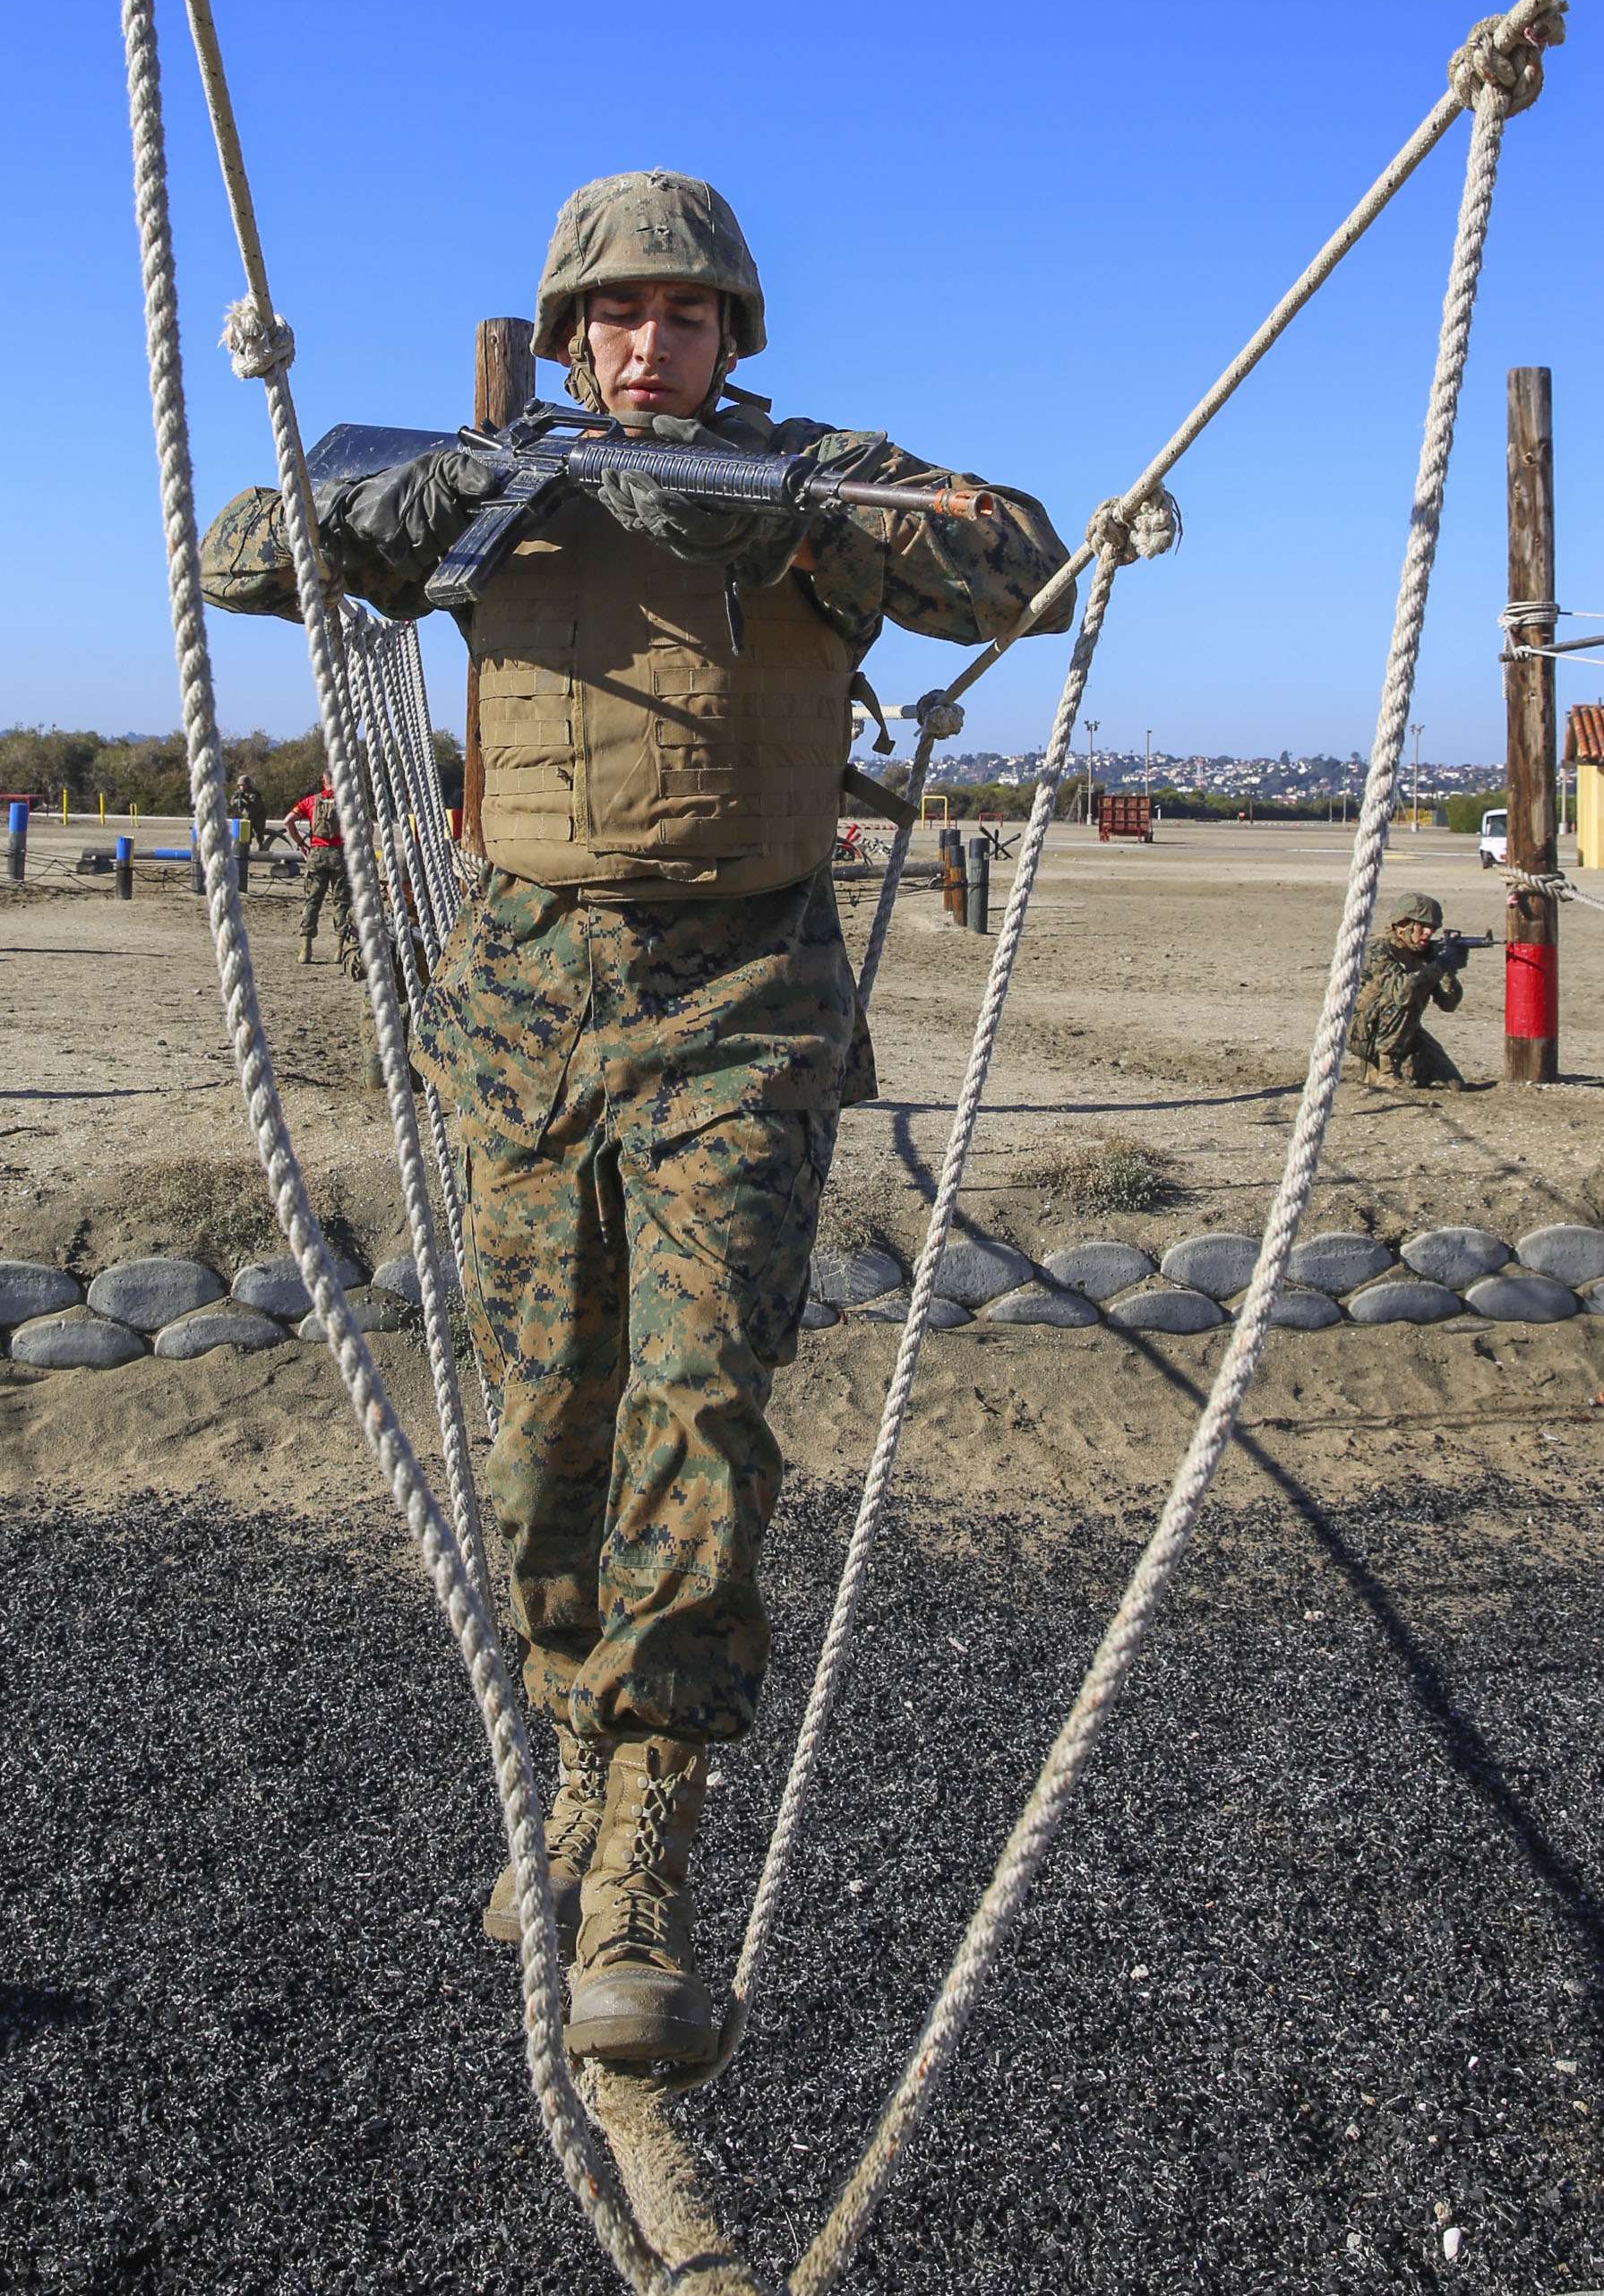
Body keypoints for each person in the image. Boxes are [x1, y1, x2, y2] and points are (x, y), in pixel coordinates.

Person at [197, 168, 1078, 2066]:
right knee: (542, 1432)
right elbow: (237, 552)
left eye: (683, 313)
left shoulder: (818, 474)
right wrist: (408, 503)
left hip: (743, 1002)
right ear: (570, 333)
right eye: (615, 313)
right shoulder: (494, 483)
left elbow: (1023, 561)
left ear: (729, 331)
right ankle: (573, 1763)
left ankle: (649, 1839)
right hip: (522, 999)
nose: (647, 342)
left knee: (699, 1402)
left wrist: (820, 515)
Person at [1350, 890, 1466, 1088]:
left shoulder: (1422, 954)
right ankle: (1385, 1072)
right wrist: (1438, 966)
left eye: (1432, 928)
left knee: (1453, 1084)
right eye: (1423, 926)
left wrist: (1448, 971)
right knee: (1401, 996)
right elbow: (1401, 993)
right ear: (1403, 924)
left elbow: (1448, 1004)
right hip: (1366, 1032)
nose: (1428, 933)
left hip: (1406, 1031)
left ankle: (1400, 1068)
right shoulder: (1378, 948)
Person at [286, 770, 353, 966]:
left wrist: (301, 843)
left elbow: (288, 821)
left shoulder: (310, 801)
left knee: (312, 901)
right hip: (340, 854)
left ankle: (305, 949)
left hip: (316, 854)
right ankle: (340, 949)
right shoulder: (347, 802)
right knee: (341, 902)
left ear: (324, 781)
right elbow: (368, 828)